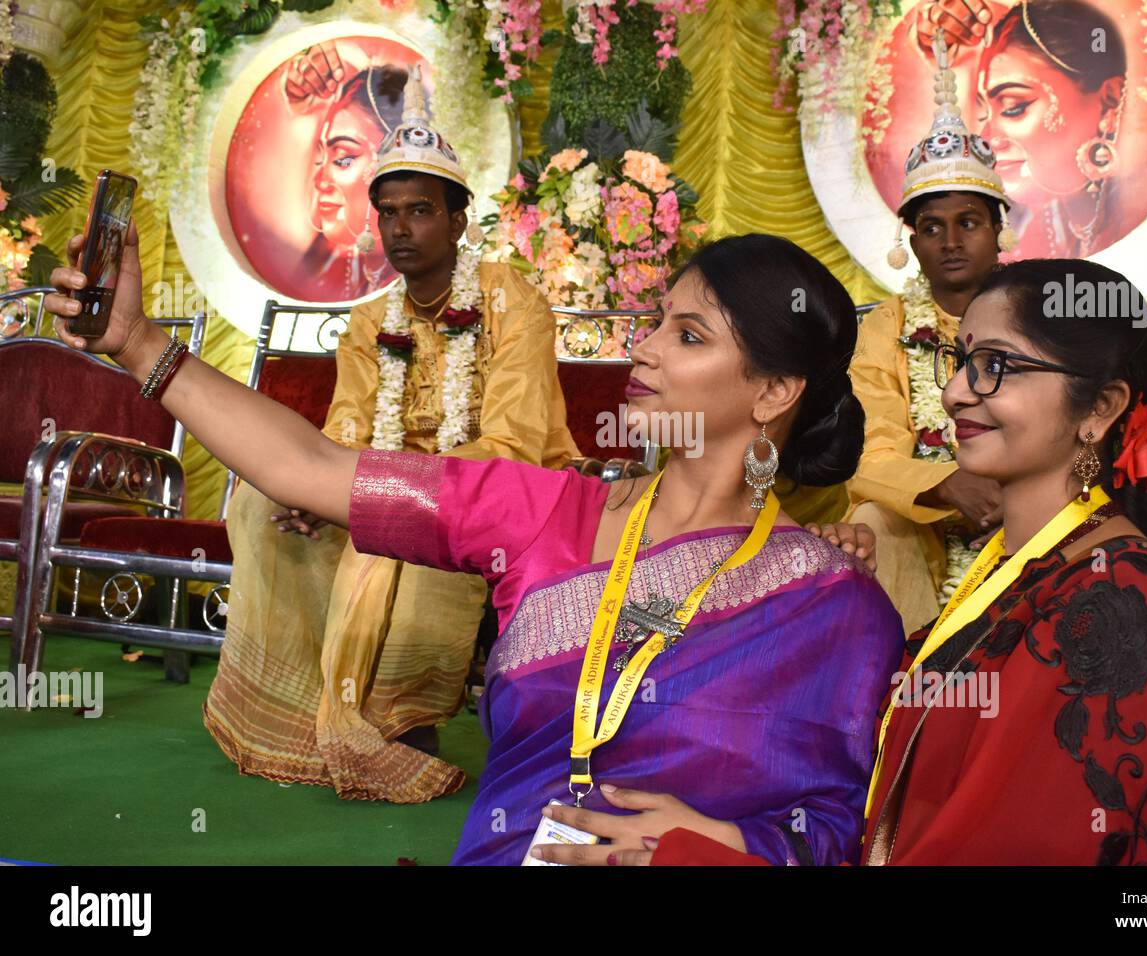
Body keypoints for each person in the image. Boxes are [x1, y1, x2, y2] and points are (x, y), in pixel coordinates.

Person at [48, 225, 903, 865]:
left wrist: (709, 840)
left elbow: (837, 829)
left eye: (689, 335)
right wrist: (140, 345)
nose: (640, 348)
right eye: (657, 320)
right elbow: (308, 465)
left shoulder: (835, 604)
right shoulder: (540, 513)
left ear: (775, 391)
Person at [648, 259, 1147, 865]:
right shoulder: (1028, 566)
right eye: (961, 361)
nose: (955, 392)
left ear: (1098, 409)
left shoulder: (1113, 603)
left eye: (996, 367)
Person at [205, 68, 578, 803]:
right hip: (381, 484)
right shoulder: (373, 321)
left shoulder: (512, 303)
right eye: (388, 215)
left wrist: (395, 484)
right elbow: (345, 427)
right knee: (262, 501)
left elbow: (514, 443)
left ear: (459, 222)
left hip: (492, 494)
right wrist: (316, 491)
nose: (401, 230)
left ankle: (399, 719)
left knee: (410, 521)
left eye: (420, 212)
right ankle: (305, 711)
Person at [844, 31, 1014, 634]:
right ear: (910, 240)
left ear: (998, 230)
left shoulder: (1039, 314)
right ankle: (898, 700)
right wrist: (947, 485)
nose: (950, 241)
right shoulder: (887, 328)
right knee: (871, 518)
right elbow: (873, 457)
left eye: (968, 222)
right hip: (922, 522)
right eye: (932, 226)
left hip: (1026, 506)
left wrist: (1006, 490)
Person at [976, 0, 1131, 257]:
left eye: (1014, 106)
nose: (987, 138)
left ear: (1108, 101)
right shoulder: (1030, 237)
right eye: (983, 112)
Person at [300, 64, 406, 301]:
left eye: (342, 158)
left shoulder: (427, 272)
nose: (320, 181)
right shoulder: (325, 268)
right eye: (320, 159)